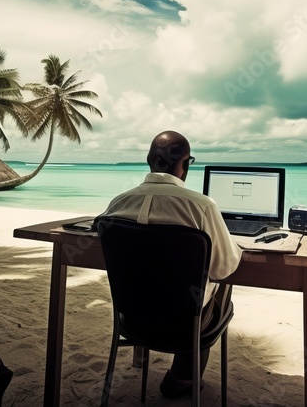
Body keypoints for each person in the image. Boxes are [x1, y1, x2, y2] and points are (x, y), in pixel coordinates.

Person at [99, 130, 242, 399]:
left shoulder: (117, 203)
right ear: (185, 164)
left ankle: (176, 373)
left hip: (133, 317)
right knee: (220, 290)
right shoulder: (202, 206)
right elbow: (223, 268)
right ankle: (182, 378)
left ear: (149, 159)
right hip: (183, 323)